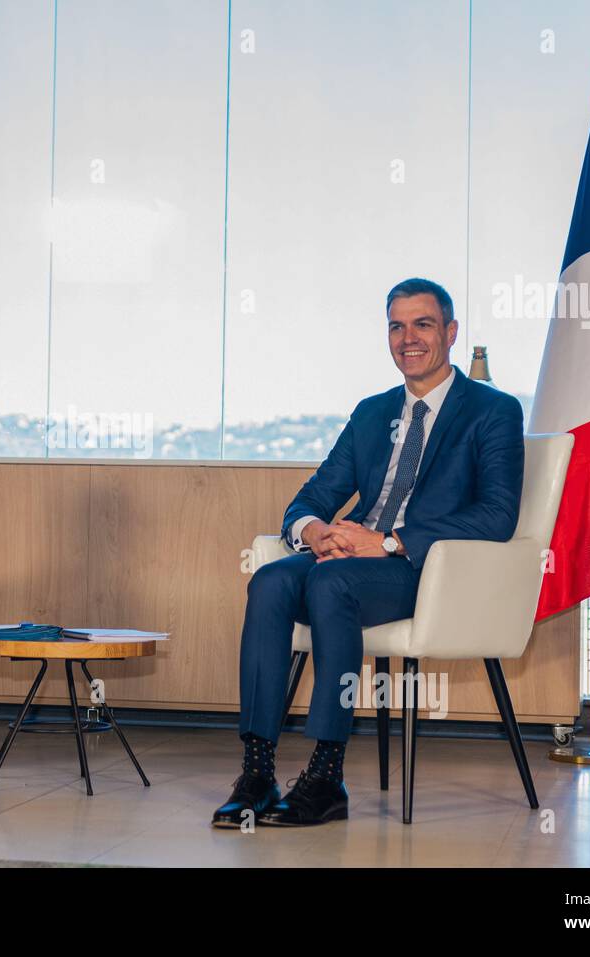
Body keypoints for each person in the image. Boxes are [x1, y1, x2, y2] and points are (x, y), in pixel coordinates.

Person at [213, 278, 524, 827]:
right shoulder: (371, 412)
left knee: (332, 583)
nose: (409, 338)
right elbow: (312, 497)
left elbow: (497, 515)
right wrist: (311, 532)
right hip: (349, 560)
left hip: (420, 570)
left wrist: (384, 542)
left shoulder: (493, 411)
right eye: (397, 326)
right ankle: (257, 772)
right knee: (270, 581)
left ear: (451, 333)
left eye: (422, 324)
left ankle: (327, 776)